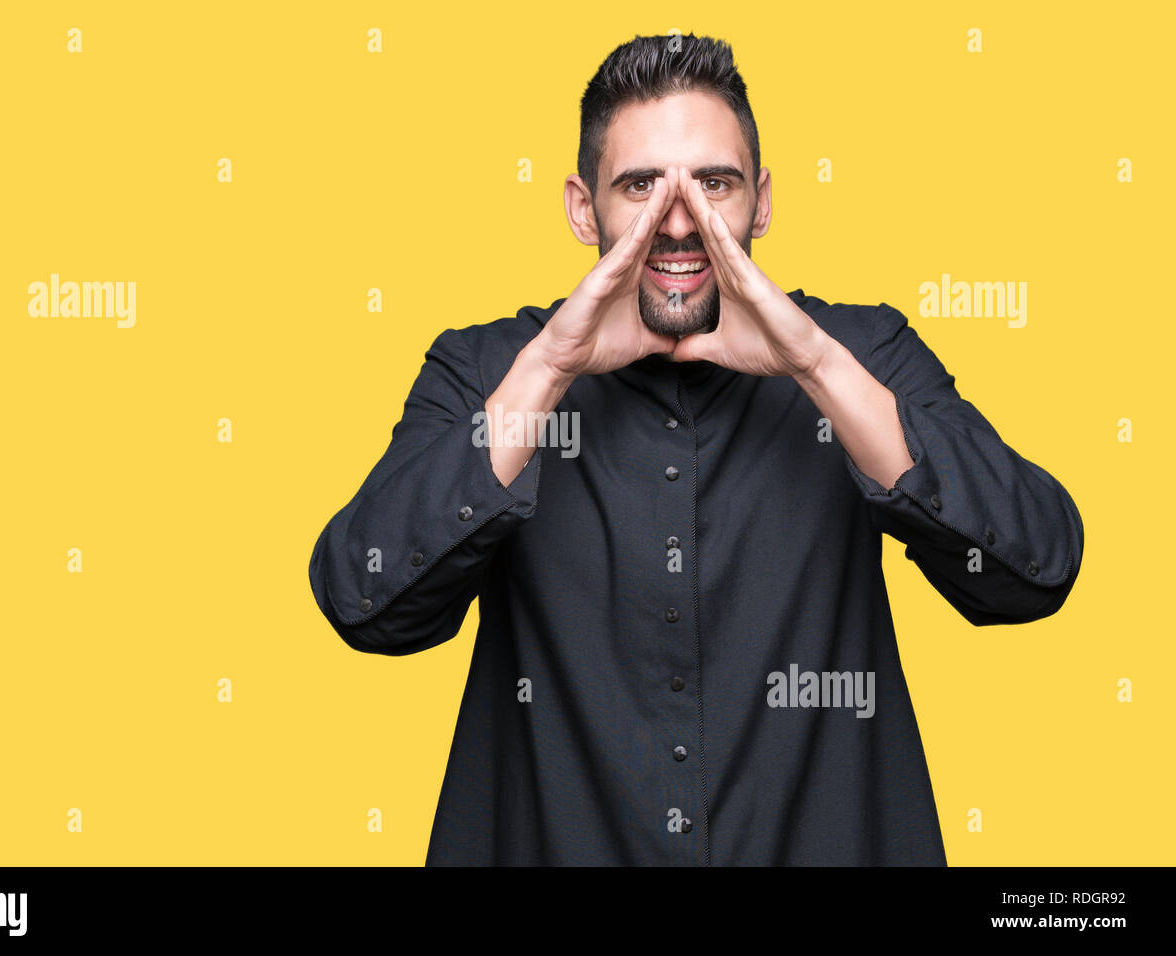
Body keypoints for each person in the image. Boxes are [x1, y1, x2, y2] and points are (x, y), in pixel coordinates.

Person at [308, 33, 1085, 866]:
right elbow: (368, 602)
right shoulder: (487, 370)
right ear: (581, 207)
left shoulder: (862, 352)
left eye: (714, 183)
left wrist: (818, 367)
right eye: (640, 185)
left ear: (762, 201)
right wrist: (548, 369)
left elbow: (1033, 569)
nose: (678, 222)